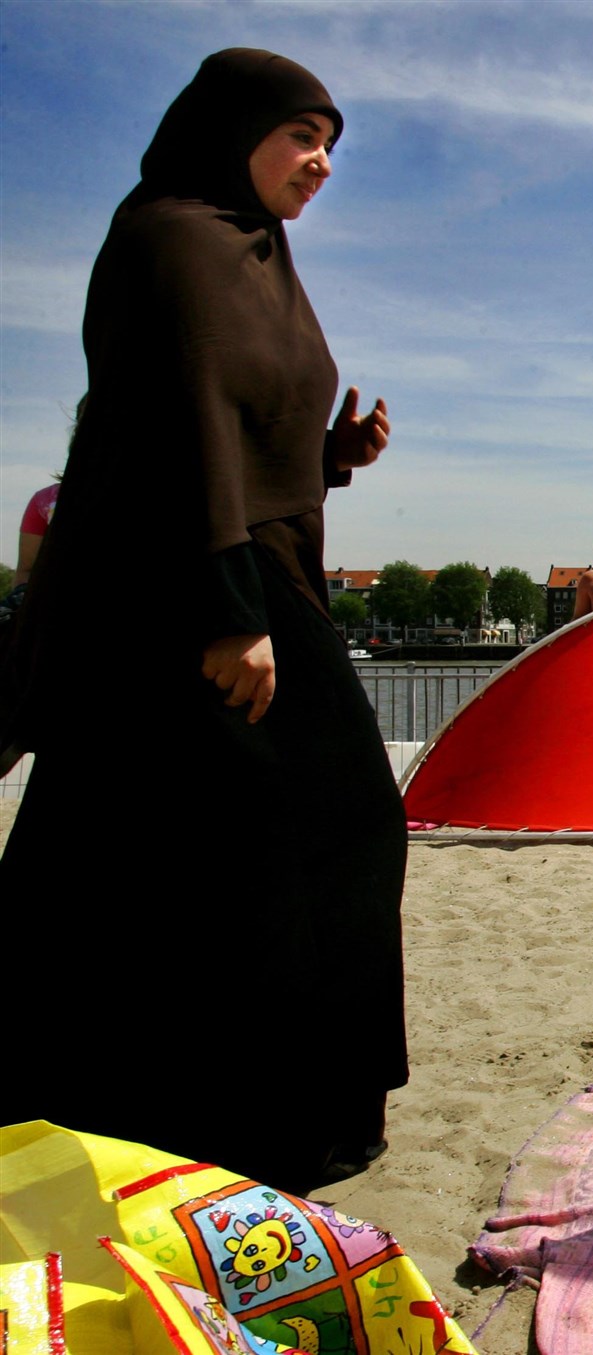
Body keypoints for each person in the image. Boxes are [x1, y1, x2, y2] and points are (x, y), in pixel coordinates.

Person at [0, 49, 406, 1193]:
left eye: (332, 141)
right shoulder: (173, 236)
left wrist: (329, 456)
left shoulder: (255, 254)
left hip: (246, 566)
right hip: (194, 587)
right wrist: (227, 612)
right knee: (327, 830)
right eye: (299, 135)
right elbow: (174, 430)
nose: (321, 160)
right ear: (227, 131)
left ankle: (220, 1105)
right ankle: (252, 1112)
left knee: (152, 848)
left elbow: (243, 426)